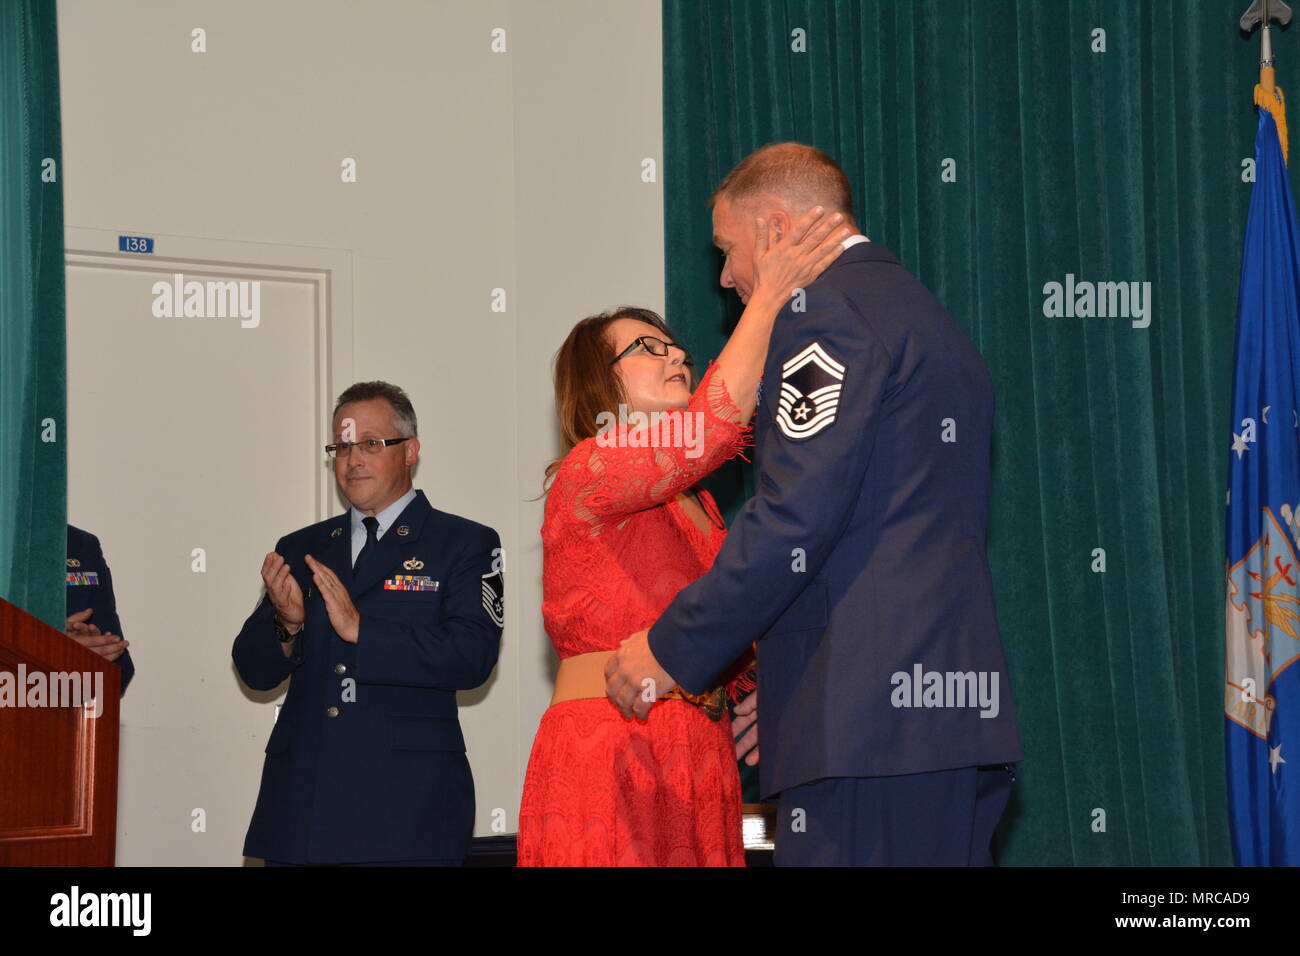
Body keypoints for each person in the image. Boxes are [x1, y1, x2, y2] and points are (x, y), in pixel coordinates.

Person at [606, 142, 1025, 866]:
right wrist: (793, 682)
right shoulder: (929, 319)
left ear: (776, 226)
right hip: (941, 719)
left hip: (870, 733)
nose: (728, 275)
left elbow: (797, 515)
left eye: (728, 250)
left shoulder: (826, 313)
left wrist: (673, 649)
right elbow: (872, 529)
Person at [517, 206, 849, 865]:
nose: (674, 353)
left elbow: (725, 624)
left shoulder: (700, 504)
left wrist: (755, 694)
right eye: (646, 347)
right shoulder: (589, 468)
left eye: (677, 348)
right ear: (598, 379)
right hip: (613, 744)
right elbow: (711, 428)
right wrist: (774, 292)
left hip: (701, 756)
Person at [232, 381, 503, 866]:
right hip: (304, 805)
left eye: (370, 444)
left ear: (411, 451)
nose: (352, 459)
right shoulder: (303, 546)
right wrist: (287, 624)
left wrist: (364, 631)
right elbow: (252, 670)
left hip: (407, 807)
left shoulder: (463, 543)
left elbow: (472, 657)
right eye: (341, 446)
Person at [66, 525, 134, 696]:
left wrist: (92, 658)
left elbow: (119, 670)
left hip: (57, 713)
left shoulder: (79, 544)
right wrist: (51, 648)